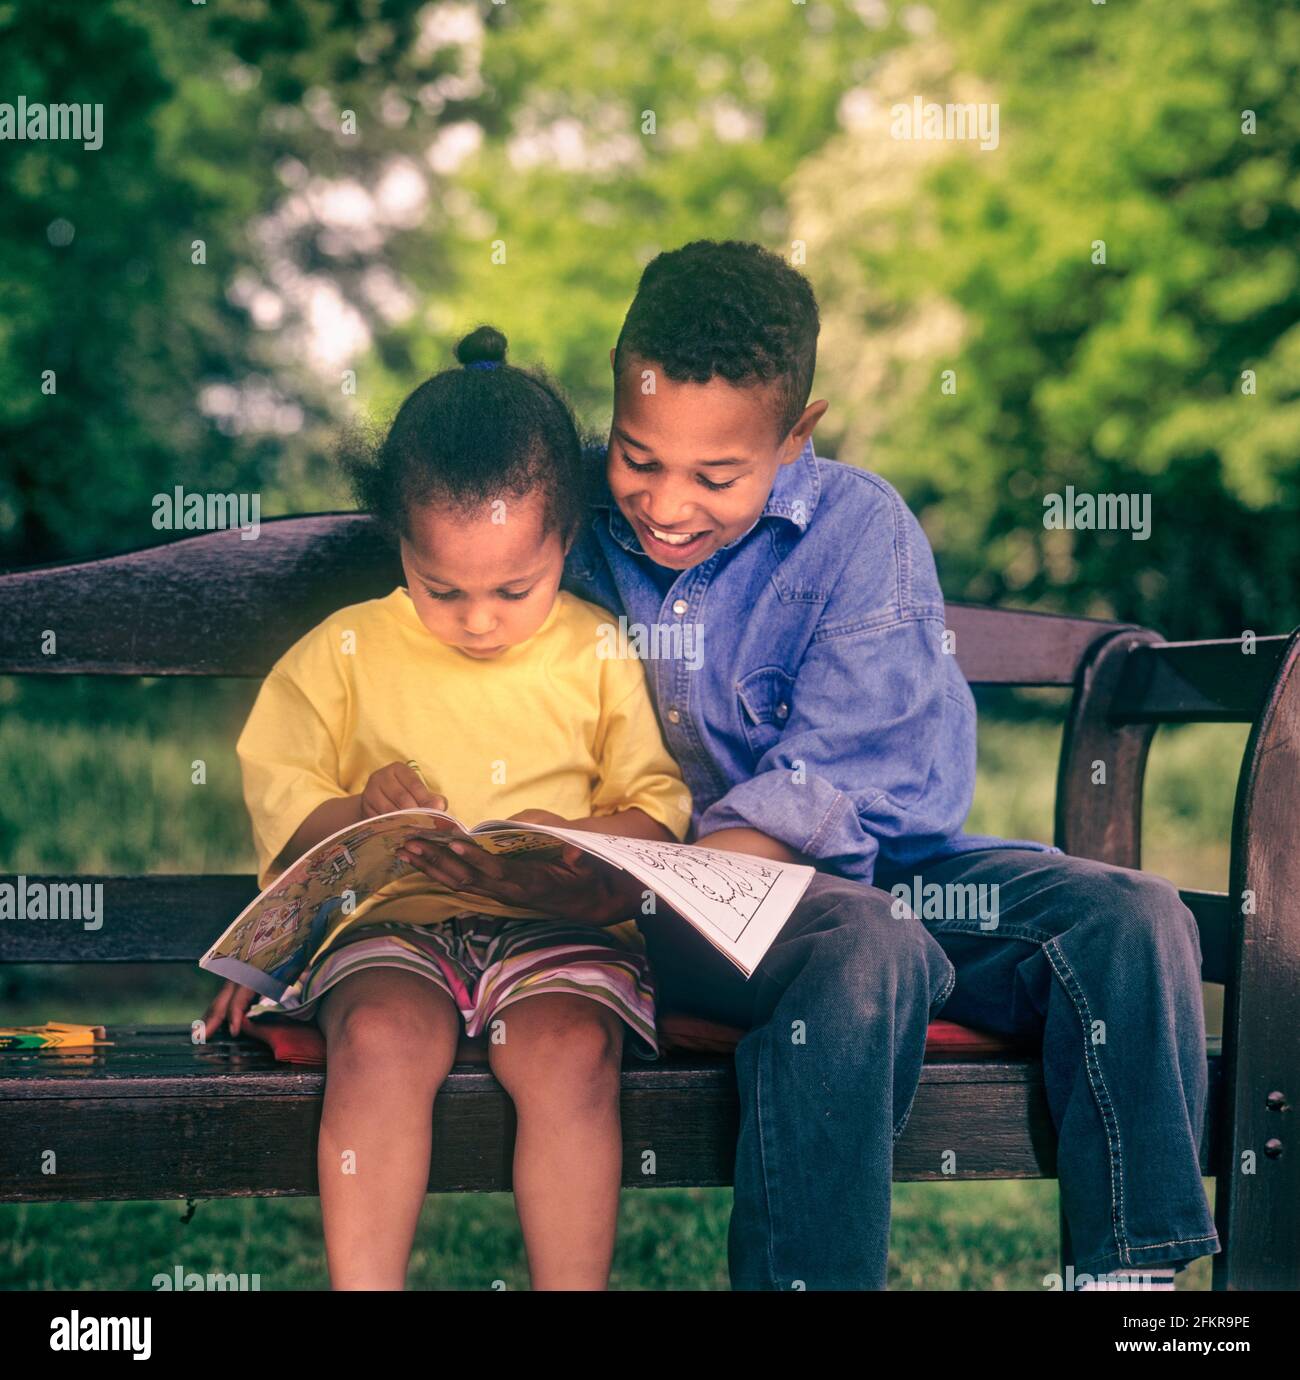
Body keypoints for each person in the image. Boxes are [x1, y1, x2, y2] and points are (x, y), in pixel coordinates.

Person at [442, 242, 1220, 1291]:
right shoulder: (559, 508)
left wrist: (736, 875)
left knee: (1131, 916)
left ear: (796, 431)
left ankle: (1131, 1285)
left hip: (864, 877)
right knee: (867, 942)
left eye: (716, 475)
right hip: (632, 904)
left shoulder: (860, 531)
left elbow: (850, 774)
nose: (666, 505)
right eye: (638, 456)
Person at [201, 325, 691, 1291]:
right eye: (442, 589)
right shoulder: (343, 651)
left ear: (566, 542)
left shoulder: (596, 651)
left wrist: (574, 838)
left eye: (516, 587)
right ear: (402, 546)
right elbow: (286, 798)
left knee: (569, 1051)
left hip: (553, 926)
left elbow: (656, 810)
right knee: (381, 1040)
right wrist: (356, 808)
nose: (478, 619)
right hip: (393, 931)